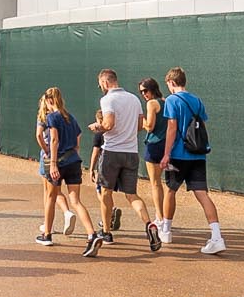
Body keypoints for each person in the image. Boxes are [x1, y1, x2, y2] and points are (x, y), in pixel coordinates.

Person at [157, 66, 223, 254]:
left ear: (171, 82)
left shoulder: (171, 100)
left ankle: (166, 231)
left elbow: (172, 127)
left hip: (178, 154)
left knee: (170, 190)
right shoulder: (197, 100)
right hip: (198, 154)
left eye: (168, 84)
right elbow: (201, 123)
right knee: (202, 194)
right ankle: (217, 237)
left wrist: (166, 153)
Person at [33, 88, 105, 257]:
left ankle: (47, 234)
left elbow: (54, 139)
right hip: (74, 161)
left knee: (51, 197)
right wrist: (74, 150)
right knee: (76, 201)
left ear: (50, 101)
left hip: (59, 162)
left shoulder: (52, 117)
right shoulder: (70, 117)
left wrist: (52, 163)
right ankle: (91, 234)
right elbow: (78, 137)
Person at [89, 68, 150, 251]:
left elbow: (109, 124)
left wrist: (97, 127)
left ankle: (106, 232)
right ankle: (149, 225)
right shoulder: (134, 99)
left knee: (106, 192)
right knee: (131, 195)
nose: (101, 88)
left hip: (112, 152)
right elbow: (140, 125)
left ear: (106, 83)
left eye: (101, 85)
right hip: (131, 152)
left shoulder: (107, 99)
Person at [138, 76, 174, 241]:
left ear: (152, 89)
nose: (144, 94)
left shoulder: (152, 104)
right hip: (168, 147)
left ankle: (160, 218)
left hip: (154, 146)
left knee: (155, 184)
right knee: (169, 186)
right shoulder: (167, 101)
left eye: (145, 91)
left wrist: (142, 120)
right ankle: (165, 221)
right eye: (141, 92)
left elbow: (150, 126)